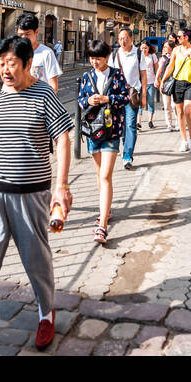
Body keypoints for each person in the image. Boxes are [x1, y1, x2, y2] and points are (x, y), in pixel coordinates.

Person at [0, 36, 74, 355]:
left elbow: (63, 140)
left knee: (36, 263)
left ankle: (46, 311)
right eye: (1, 64)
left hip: (30, 195)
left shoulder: (44, 95)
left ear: (27, 65)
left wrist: (61, 185)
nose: (5, 70)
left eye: (11, 64)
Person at [77, 39, 129, 244]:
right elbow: (80, 100)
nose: (94, 62)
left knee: (106, 175)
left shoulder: (116, 75)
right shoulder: (86, 76)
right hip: (92, 130)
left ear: (106, 57)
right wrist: (88, 101)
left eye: (98, 58)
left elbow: (125, 97)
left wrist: (109, 99)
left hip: (112, 129)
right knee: (99, 174)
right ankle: (105, 209)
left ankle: (102, 226)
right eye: (91, 58)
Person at [107, 28, 146, 170]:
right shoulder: (114, 54)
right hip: (117, 96)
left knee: (130, 125)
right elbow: (109, 76)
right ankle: (125, 147)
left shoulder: (138, 54)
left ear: (131, 39)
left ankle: (127, 156)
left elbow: (144, 76)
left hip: (132, 95)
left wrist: (144, 97)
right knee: (121, 126)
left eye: (125, 38)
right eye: (120, 38)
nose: (122, 41)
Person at [168, 29, 191, 153]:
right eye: (177, 36)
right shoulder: (176, 50)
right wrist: (161, 80)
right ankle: (184, 141)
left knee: (188, 110)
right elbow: (170, 65)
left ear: (186, 37)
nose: (177, 38)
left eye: (179, 36)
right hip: (178, 83)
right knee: (180, 113)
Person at [17, 12, 61, 91]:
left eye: (27, 34)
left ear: (36, 32)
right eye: (20, 35)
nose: (24, 38)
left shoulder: (47, 53)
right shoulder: (15, 53)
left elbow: (54, 86)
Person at [157, 37, 178, 131]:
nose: (164, 48)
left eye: (166, 47)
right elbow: (160, 69)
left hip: (176, 82)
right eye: (164, 47)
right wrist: (157, 79)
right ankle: (169, 124)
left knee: (175, 105)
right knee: (166, 105)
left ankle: (178, 123)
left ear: (171, 48)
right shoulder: (163, 58)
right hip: (165, 82)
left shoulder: (177, 56)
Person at [141, 43, 160, 127]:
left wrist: (157, 79)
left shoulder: (152, 56)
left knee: (151, 101)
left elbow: (157, 68)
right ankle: (138, 122)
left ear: (148, 48)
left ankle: (150, 120)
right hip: (140, 83)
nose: (143, 50)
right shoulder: (138, 56)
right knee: (139, 102)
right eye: (142, 48)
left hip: (151, 82)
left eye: (145, 48)